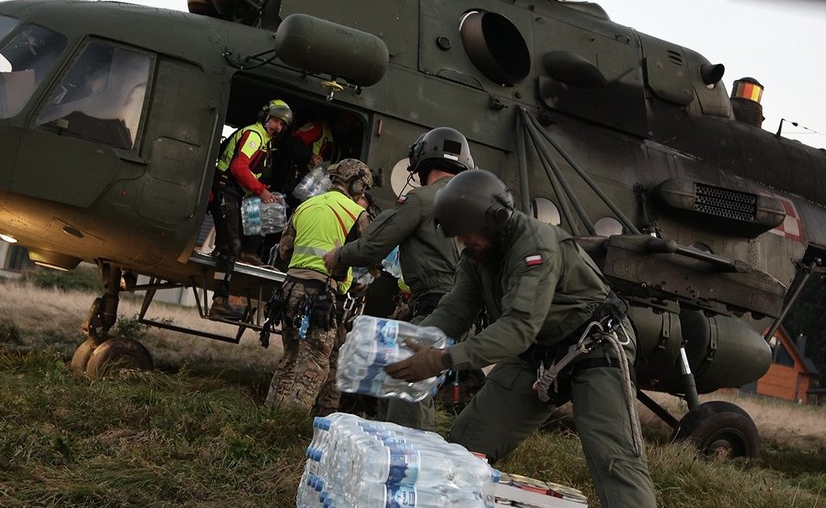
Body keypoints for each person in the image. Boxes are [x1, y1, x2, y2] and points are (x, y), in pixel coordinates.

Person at [384, 169, 657, 507]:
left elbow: (517, 328)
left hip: (594, 347)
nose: (463, 243)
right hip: (538, 354)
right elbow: (455, 311)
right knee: (468, 441)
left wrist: (441, 360)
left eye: (469, 235)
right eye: (459, 237)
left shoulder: (537, 245)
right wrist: (415, 340)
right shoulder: (477, 256)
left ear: (495, 219)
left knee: (614, 460)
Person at [322, 127, 474, 430]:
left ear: (421, 163)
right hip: (460, 309)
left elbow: (372, 247)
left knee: (403, 374)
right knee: (410, 377)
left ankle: (406, 452)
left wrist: (337, 256)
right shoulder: (471, 201)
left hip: (439, 306)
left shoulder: (422, 200)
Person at [265, 158, 373, 413]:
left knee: (290, 358)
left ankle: (270, 415)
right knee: (314, 364)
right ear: (356, 185)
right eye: (363, 187)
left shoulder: (305, 206)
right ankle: (288, 424)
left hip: (289, 291)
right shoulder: (357, 213)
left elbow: (283, 252)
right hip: (319, 297)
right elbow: (371, 255)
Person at [208, 98, 292, 319]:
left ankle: (248, 253)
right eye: (275, 121)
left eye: (282, 125)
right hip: (226, 188)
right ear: (265, 118)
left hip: (237, 192)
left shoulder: (265, 140)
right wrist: (261, 191)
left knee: (265, 212)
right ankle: (220, 301)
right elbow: (238, 167)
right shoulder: (254, 136)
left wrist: (263, 191)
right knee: (230, 243)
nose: (278, 127)